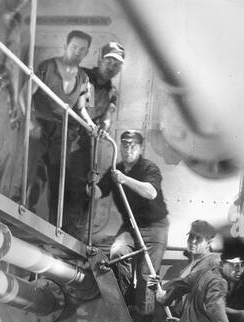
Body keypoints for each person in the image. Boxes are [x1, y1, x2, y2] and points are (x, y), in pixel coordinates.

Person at [30, 31, 93, 234]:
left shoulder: (83, 77)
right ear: (66, 45)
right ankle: (22, 213)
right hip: (40, 127)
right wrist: (30, 121)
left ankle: (55, 227)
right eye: (75, 47)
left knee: (59, 181)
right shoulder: (46, 67)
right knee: (34, 176)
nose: (78, 52)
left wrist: (91, 125)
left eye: (83, 49)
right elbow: (28, 94)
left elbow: (81, 108)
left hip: (62, 132)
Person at [94, 130, 168, 298]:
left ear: (141, 148)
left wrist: (124, 179)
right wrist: (91, 185)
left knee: (146, 278)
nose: (128, 149)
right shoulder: (116, 170)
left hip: (154, 228)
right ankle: (123, 304)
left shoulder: (149, 168)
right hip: (130, 226)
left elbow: (151, 193)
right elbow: (98, 193)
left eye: (132, 146)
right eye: (125, 145)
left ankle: (143, 321)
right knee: (117, 253)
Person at [84, 41, 124, 132]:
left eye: (116, 65)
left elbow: (108, 116)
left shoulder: (112, 93)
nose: (111, 68)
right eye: (108, 62)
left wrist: (104, 127)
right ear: (100, 61)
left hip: (83, 138)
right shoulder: (82, 76)